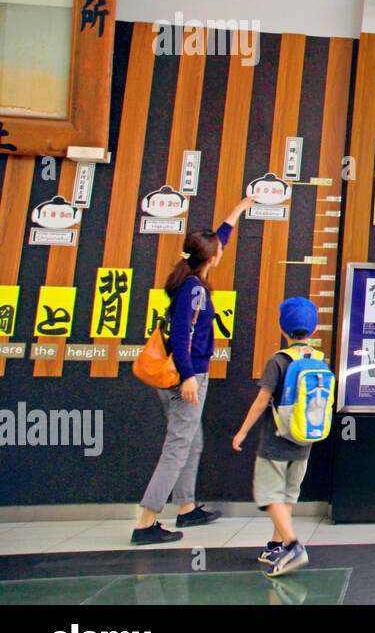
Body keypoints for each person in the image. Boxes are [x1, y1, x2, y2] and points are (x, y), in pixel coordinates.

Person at [130, 195, 255, 545]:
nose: (221, 252)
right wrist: (188, 378)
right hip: (186, 377)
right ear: (211, 259)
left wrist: (237, 210)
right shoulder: (194, 290)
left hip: (184, 375)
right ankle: (145, 523)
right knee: (178, 446)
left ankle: (186, 508)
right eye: (218, 251)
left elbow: (219, 239)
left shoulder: (189, 279)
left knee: (192, 442)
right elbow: (183, 338)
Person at [232, 297, 319, 577]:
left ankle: (293, 546)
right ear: (313, 329)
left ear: (284, 329)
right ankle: (275, 544)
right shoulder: (318, 359)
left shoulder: (279, 360)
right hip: (304, 439)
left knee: (270, 493)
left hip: (276, 439)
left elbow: (261, 401)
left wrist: (243, 431)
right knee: (289, 493)